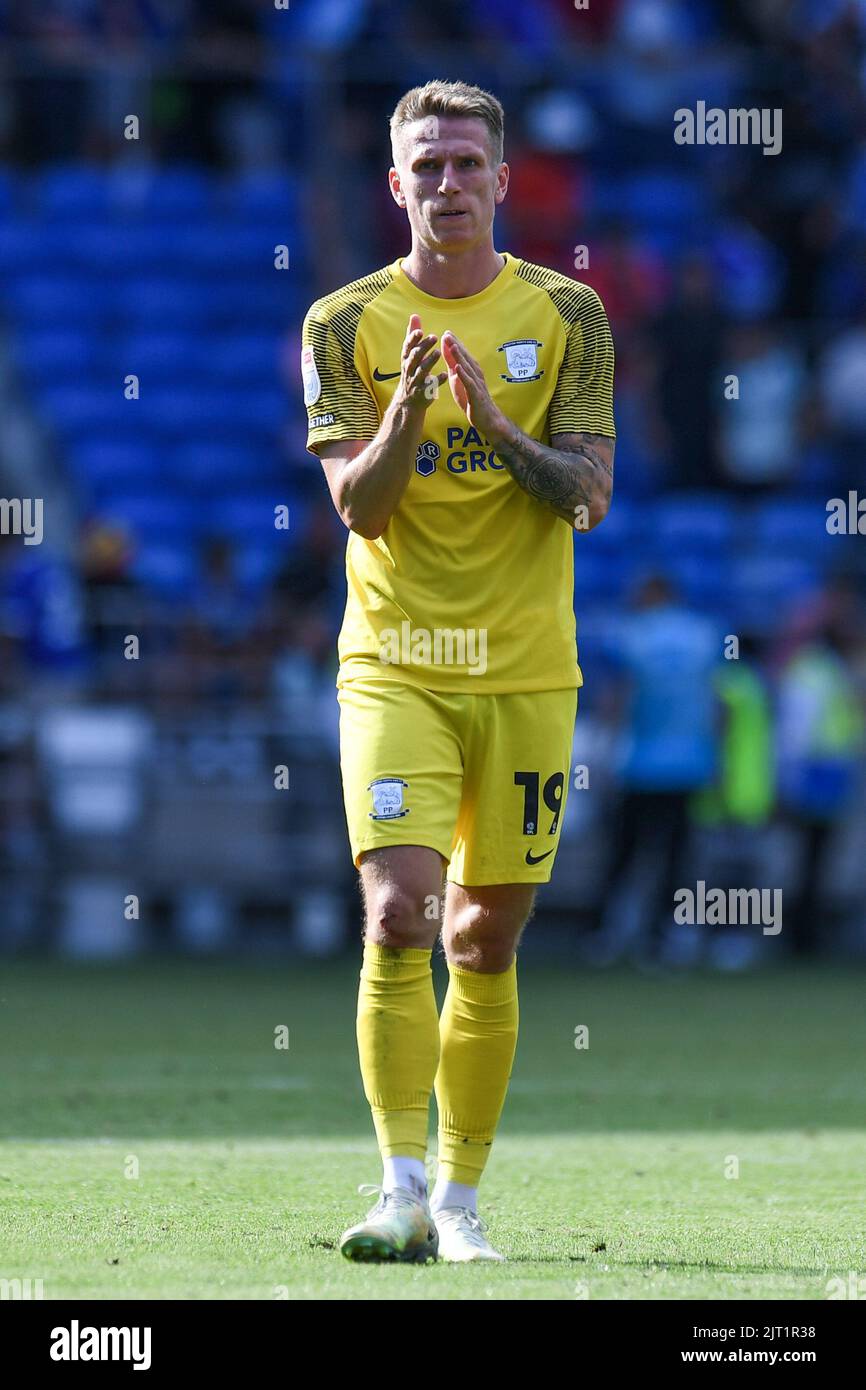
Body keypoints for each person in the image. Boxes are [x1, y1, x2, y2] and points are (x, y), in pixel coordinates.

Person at [300, 79, 615, 1263]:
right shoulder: (342, 324)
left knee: (482, 938)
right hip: (394, 664)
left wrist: (492, 424)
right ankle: (398, 1187)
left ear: (500, 176)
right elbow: (359, 509)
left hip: (527, 669)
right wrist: (404, 420)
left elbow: (586, 495)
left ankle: (464, 1201)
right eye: (423, 166)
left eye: (465, 163)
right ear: (395, 185)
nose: (446, 184)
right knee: (397, 914)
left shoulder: (568, 313)